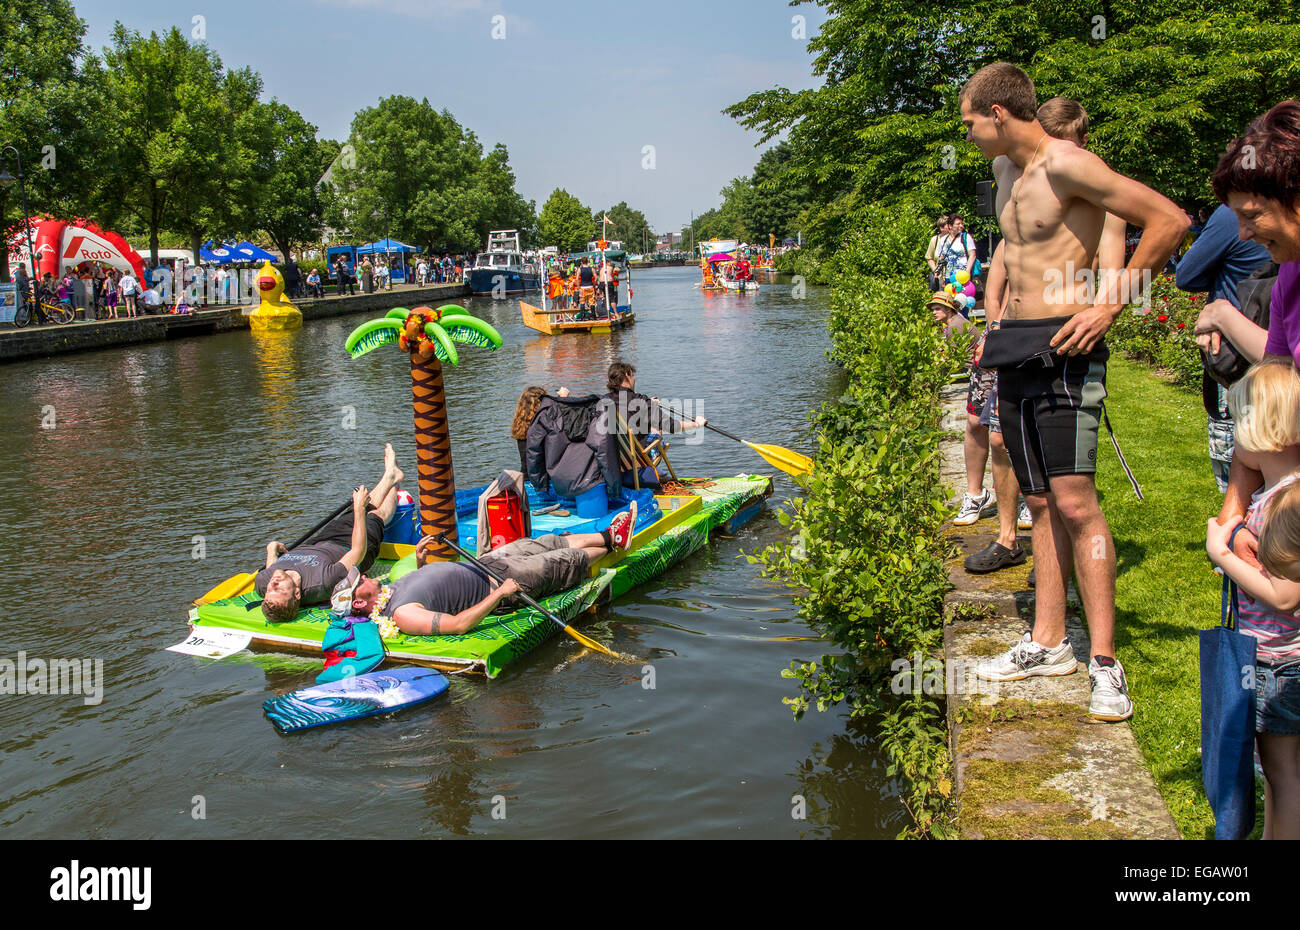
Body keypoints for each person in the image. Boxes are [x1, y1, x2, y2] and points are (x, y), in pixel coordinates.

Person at [960, 62, 1188, 720]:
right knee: (1037, 500)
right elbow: (1011, 251)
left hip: (1067, 346)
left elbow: (1168, 220)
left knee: (1075, 500)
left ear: (999, 113)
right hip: (1015, 346)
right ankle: (1048, 641)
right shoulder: (1005, 173)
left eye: (970, 121)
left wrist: (1110, 307)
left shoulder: (1067, 164)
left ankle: (1107, 663)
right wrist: (994, 325)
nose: (968, 133)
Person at [1205, 359, 1300, 839]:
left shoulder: (1287, 504)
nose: (1232, 436)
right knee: (1283, 774)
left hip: (1279, 661)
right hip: (1284, 658)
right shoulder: (1283, 494)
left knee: (1283, 775)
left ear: (1260, 432)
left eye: (1236, 422)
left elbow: (1285, 596)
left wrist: (1221, 554)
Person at [1207, 101, 1300, 572]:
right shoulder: (1289, 274)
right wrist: (1236, 508)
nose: (1242, 235)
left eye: (1254, 214)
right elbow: (1270, 390)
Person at [339, 506, 637, 635]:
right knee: (562, 561)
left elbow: (430, 586)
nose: (363, 575)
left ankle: (609, 535)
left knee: (545, 542)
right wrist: (501, 594)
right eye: (358, 581)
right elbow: (457, 625)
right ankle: (614, 545)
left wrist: (420, 561)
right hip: (500, 586)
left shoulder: (388, 586)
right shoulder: (402, 615)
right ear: (358, 602)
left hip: (485, 564)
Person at [1178, 203, 1273, 492]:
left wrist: (1220, 312)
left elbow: (1187, 275)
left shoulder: (1234, 210)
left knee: (1244, 482)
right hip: (1265, 365)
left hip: (1238, 363)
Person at [255, 444, 404, 622]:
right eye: (278, 589)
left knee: (356, 509)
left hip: (321, 542)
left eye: (270, 590)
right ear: (296, 593)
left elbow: (270, 569)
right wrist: (359, 509)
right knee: (374, 515)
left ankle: (391, 475)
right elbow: (358, 551)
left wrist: (271, 550)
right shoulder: (323, 583)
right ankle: (393, 482)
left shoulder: (263, 582)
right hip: (353, 547)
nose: (273, 583)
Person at [603, 361, 705, 488]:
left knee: (641, 427)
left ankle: (657, 474)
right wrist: (696, 424)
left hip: (613, 460)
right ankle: (654, 475)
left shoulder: (602, 402)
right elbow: (671, 426)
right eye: (633, 376)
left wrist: (649, 404)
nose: (634, 380)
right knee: (657, 430)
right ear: (627, 376)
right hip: (637, 461)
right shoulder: (639, 400)